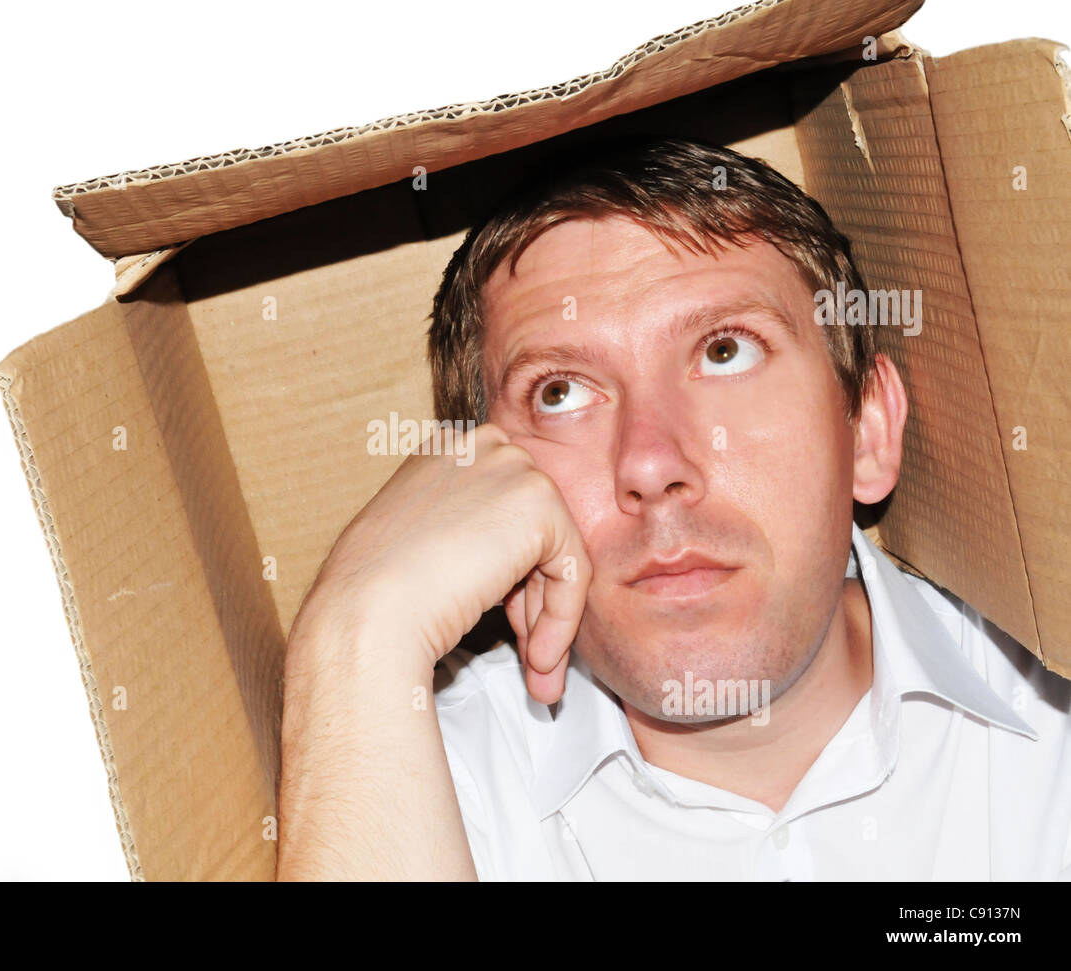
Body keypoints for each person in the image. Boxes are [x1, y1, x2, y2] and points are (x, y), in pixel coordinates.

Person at [274, 136, 1071, 880]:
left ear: (864, 429)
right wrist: (356, 631)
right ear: (477, 495)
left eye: (725, 350)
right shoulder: (410, 784)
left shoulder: (1049, 725)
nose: (651, 463)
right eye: (561, 392)